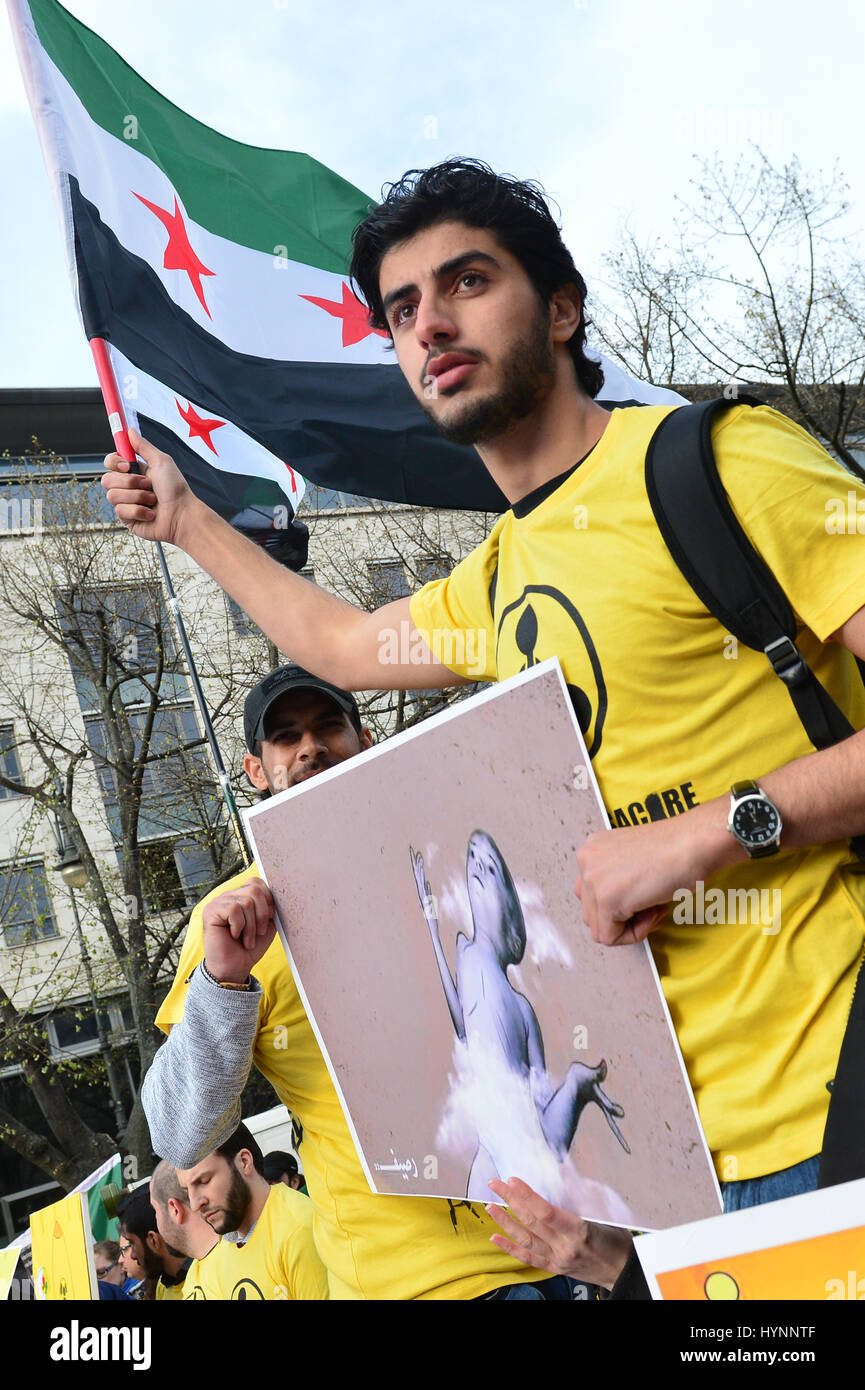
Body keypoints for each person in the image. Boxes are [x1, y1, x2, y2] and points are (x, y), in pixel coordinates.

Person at [103, 159, 865, 1287]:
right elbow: (341, 645)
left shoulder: (717, 461)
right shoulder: (499, 575)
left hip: (830, 1106)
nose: (429, 324)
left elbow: (705, 832)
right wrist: (185, 521)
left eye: (467, 281)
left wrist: (710, 831)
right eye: (401, 309)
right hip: (674, 1180)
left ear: (560, 309)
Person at [141, 664, 564, 1299]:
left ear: (364, 740)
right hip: (404, 1282)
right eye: (286, 737)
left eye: (328, 727)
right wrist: (223, 982)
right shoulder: (232, 922)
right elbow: (180, 1132)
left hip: (554, 1246)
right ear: (256, 769)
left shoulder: (453, 855)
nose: (310, 747)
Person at [411, 831, 628, 1205]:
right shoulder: (465, 950)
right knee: (489, 1210)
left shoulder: (523, 1009)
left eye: (490, 867)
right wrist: (431, 925)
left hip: (519, 1133)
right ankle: (577, 1084)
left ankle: (576, 1083)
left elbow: (539, 1095)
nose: (478, 868)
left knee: (546, 1166)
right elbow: (462, 1027)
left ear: (511, 914)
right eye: (473, 858)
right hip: (489, 1135)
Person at [175, 1124, 328, 1301]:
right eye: (186, 1191)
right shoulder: (228, 1242)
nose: (195, 1204)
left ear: (244, 1162)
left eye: (204, 1181)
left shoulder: (299, 1230)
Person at [150, 1160, 222, 1300]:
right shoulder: (193, 1276)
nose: (155, 1219)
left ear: (175, 1210)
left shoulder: (230, 1266)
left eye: (155, 1210)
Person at [116, 1185, 192, 1301]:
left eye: (132, 1244)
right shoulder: (161, 1288)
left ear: (153, 1240)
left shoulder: (210, 1271)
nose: (133, 1255)